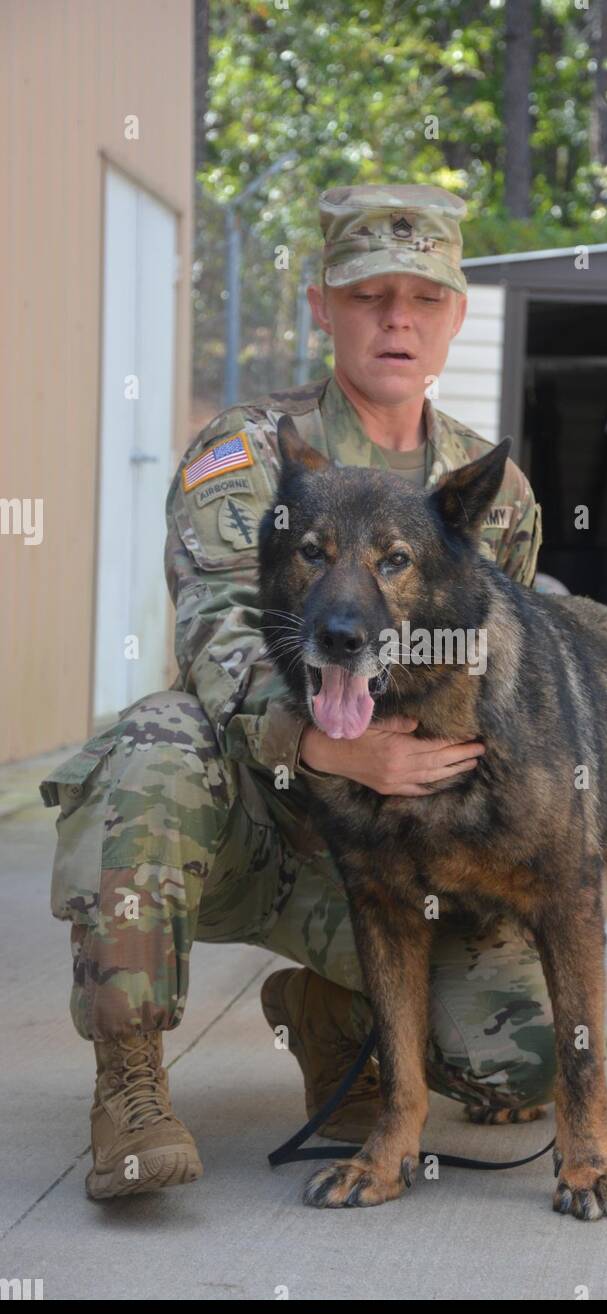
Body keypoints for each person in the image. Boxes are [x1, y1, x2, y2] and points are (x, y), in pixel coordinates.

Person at [39, 183, 553, 1200]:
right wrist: (321, 746)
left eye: (421, 296)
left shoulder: (487, 493)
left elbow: (504, 672)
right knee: (154, 742)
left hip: (403, 841)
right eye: (367, 295)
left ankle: (333, 1013)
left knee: (515, 1068)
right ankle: (130, 1085)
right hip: (255, 814)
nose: (395, 319)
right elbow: (215, 620)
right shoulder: (254, 453)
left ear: (454, 314)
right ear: (322, 305)